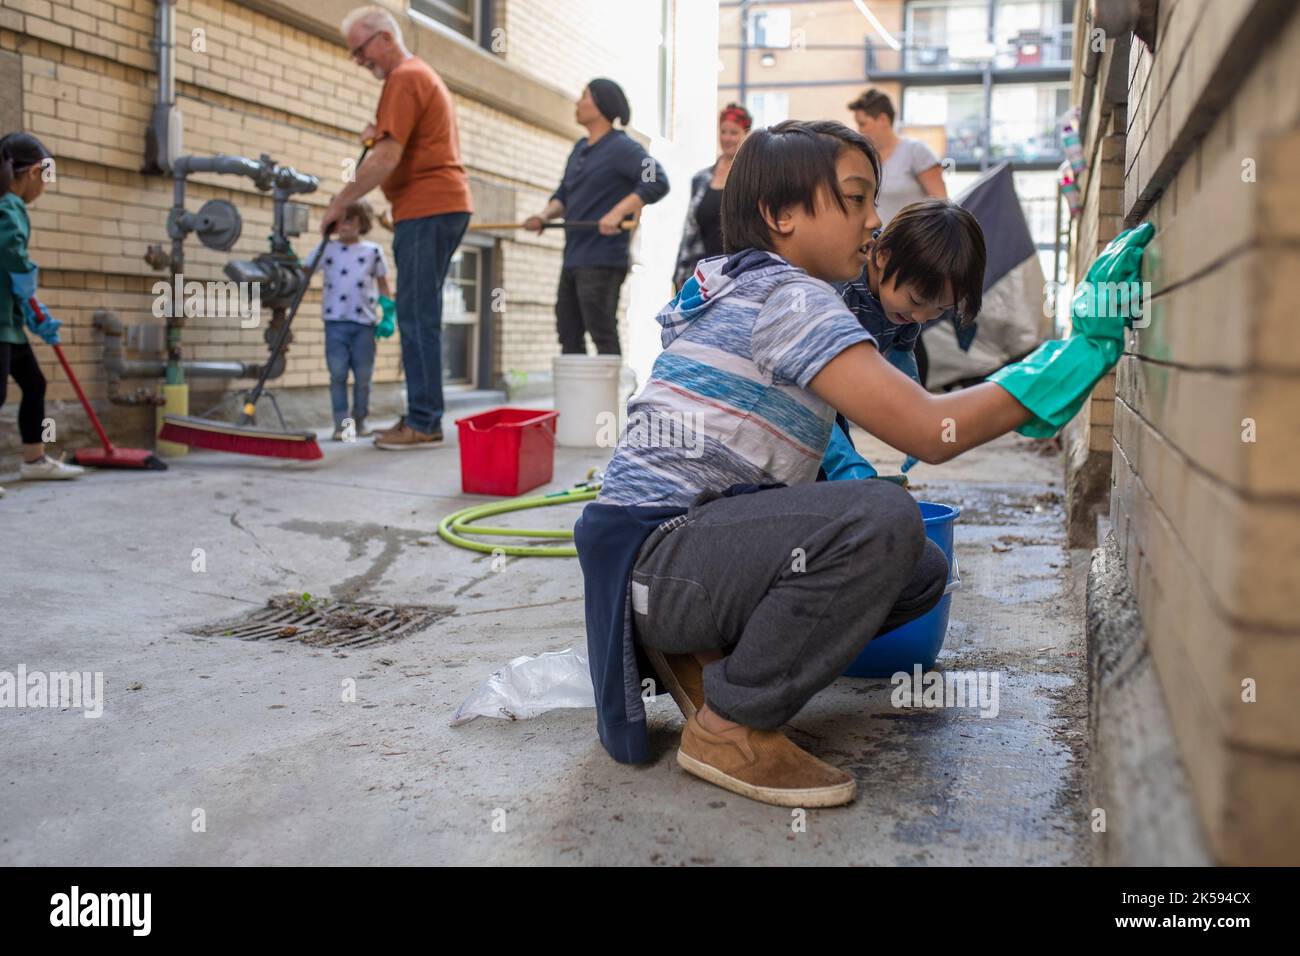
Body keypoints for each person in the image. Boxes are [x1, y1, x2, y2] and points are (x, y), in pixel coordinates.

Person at [574, 119, 1148, 807]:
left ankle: (708, 662)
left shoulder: (740, 283)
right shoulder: (793, 298)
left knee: (919, 568)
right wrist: (1075, 356)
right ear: (781, 215)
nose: (874, 222)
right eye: (854, 200)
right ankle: (728, 727)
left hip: (663, 566)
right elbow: (932, 429)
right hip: (665, 560)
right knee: (884, 520)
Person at [325, 5, 473, 450]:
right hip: (430, 206)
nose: (357, 60)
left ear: (385, 38)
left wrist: (339, 201)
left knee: (415, 314)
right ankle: (423, 415)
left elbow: (386, 158)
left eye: (360, 50)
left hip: (430, 207)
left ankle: (425, 420)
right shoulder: (416, 76)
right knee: (419, 312)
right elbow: (393, 150)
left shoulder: (404, 77)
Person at [822, 199, 985, 480]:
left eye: (940, 309)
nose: (921, 317)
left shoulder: (902, 311)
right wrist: (844, 462)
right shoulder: (839, 288)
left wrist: (915, 424)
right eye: (917, 300)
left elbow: (901, 356)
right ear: (883, 256)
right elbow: (806, 395)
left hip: (831, 398)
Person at [525, 78, 669, 355]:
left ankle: (608, 398)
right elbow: (563, 195)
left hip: (602, 258)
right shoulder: (580, 148)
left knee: (601, 331)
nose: (578, 103)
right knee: (567, 331)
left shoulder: (623, 147)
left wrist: (617, 212)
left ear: (602, 105)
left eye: (584, 96)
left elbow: (656, 179)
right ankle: (578, 397)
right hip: (573, 257)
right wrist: (543, 216)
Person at [0, 131, 84, 496]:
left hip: (10, 320)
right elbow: (10, 248)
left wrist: (32, 311)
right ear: (34, 172)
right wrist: (24, 280)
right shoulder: (7, 206)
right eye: (47, 177)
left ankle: (34, 460)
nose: (45, 187)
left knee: (34, 383)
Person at [308, 200, 392, 441]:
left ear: (362, 222)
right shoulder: (327, 249)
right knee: (337, 374)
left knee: (363, 376)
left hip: (364, 324)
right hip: (335, 322)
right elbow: (304, 271)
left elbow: (384, 285)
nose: (345, 225)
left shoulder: (372, 251)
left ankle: (361, 419)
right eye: (341, 219)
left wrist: (388, 314)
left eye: (351, 219)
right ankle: (343, 425)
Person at [672, 102, 752, 290]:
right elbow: (690, 229)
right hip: (702, 275)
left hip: (738, 275)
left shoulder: (752, 178)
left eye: (734, 132)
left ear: (746, 134)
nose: (727, 138)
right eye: (723, 132)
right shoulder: (701, 179)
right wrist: (680, 272)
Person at [848, 88, 947, 224]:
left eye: (863, 124)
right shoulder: (866, 159)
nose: (859, 130)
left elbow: (943, 206)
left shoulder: (915, 151)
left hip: (911, 242)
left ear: (883, 119)